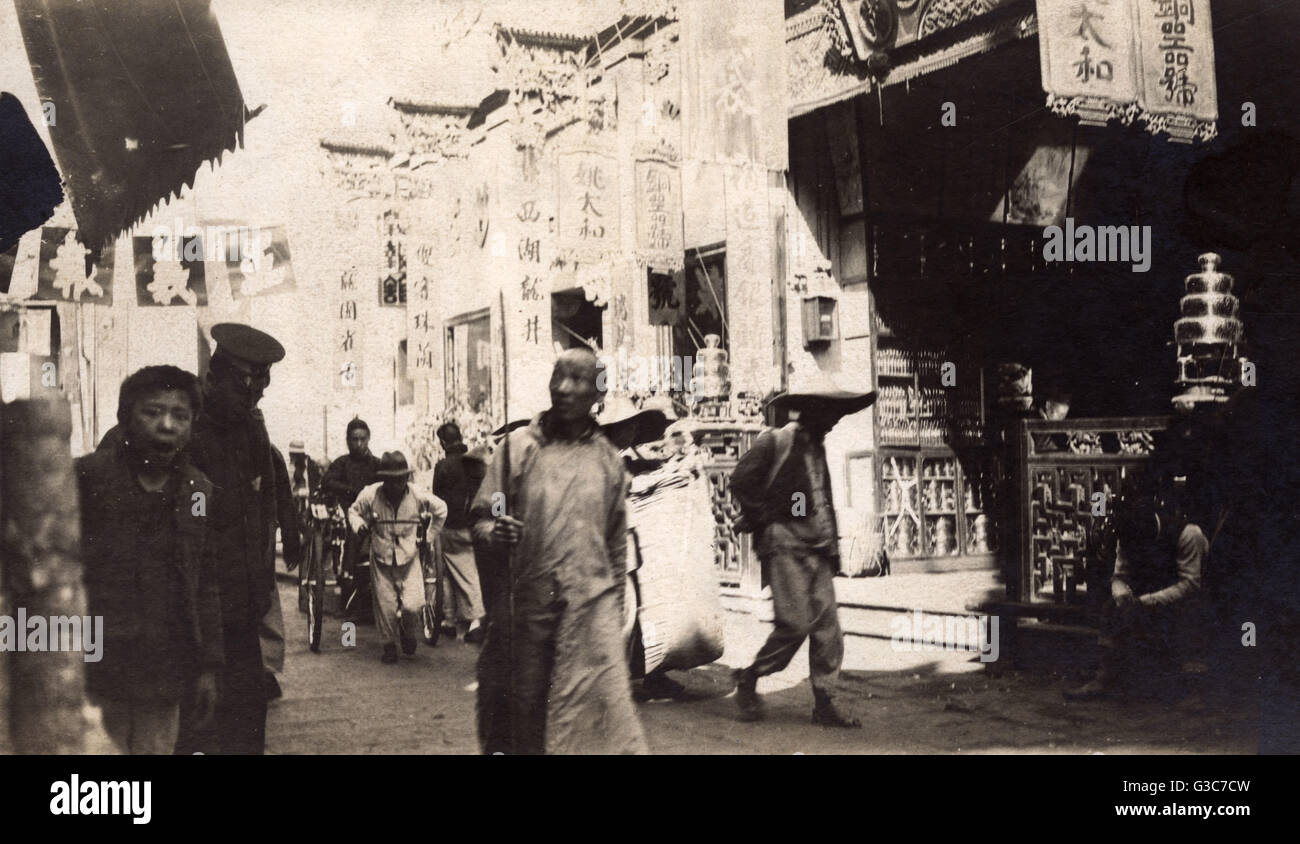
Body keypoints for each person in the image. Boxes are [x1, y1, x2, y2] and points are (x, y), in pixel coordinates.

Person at [472, 348, 648, 755]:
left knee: (593, 717)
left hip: (589, 612)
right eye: (559, 376)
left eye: (578, 379)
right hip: (530, 612)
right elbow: (487, 512)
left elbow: (615, 548)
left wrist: (617, 616)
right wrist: (494, 530)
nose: (565, 388)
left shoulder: (607, 462)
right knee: (527, 707)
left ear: (597, 391)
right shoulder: (519, 449)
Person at [77, 366, 222, 754]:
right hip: (98, 662)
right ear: (126, 418)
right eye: (152, 412)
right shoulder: (89, 478)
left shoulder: (198, 490)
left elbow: (205, 582)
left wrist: (208, 667)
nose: (167, 426)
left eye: (180, 416)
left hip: (165, 666)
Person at [728, 378, 876, 728]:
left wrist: (833, 547)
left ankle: (825, 701)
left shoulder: (818, 446)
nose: (834, 420)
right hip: (785, 546)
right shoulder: (775, 441)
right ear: (812, 411)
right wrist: (763, 515)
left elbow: (821, 499)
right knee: (794, 625)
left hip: (818, 548)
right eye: (830, 413)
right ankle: (750, 676)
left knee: (828, 629)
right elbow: (740, 479)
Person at [177, 322, 286, 755]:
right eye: (246, 386)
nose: (255, 395)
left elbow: (264, 501)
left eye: (262, 385)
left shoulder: (251, 429)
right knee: (193, 729)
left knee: (246, 727)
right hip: (191, 616)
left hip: (240, 612)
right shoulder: (183, 426)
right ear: (213, 377)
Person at [1065, 477, 1209, 702]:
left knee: (1189, 613)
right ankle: (1104, 678)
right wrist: (1122, 596)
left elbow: (1190, 583)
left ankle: (1187, 685)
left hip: (1183, 598)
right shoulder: (1128, 534)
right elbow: (1119, 576)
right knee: (1110, 608)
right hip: (1146, 597)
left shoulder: (1189, 534)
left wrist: (1147, 601)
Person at [348, 451, 447, 663]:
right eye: (391, 480)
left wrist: (428, 537)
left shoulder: (418, 496)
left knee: (413, 604)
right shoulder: (370, 495)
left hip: (409, 558)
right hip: (382, 557)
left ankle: (408, 633)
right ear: (384, 479)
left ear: (406, 478)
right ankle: (389, 645)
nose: (395, 485)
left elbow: (442, 510)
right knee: (386, 606)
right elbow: (353, 512)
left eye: (400, 480)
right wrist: (360, 526)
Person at [432, 422, 487, 643]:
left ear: (443, 443)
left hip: (450, 527)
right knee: (467, 570)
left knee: (448, 573)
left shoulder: (442, 466)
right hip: (472, 524)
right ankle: (453, 620)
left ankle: (465, 620)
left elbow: (437, 498)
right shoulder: (474, 462)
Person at [321, 418, 381, 620]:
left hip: (374, 516)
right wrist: (350, 490)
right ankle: (350, 608)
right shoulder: (341, 464)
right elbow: (328, 482)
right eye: (354, 439)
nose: (358, 444)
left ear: (369, 439)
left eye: (362, 439)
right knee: (353, 539)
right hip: (348, 514)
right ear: (347, 440)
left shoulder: (377, 464)